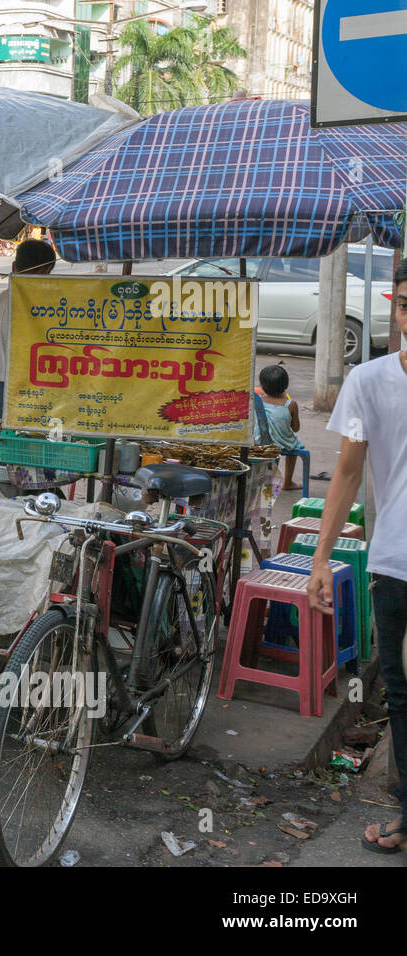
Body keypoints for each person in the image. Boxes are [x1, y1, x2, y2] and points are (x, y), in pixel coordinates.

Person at [308, 261, 407, 855]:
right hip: (394, 561)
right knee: (401, 692)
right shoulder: (368, 380)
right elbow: (346, 473)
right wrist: (321, 559)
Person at [0, 239, 57, 464]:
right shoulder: (46, 308)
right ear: (46, 270)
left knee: (2, 464)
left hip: (1, 395)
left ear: (14, 267)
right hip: (34, 393)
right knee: (34, 467)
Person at [255, 364, 304, 489]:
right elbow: (296, 428)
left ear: (262, 386)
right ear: (285, 386)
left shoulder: (256, 400)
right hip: (282, 444)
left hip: (258, 442)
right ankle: (288, 482)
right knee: (295, 446)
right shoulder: (291, 404)